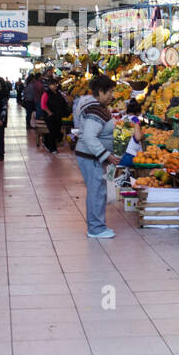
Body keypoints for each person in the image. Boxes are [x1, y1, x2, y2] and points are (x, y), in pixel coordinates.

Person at [74, 74, 118, 239]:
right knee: (96, 192)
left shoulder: (95, 106)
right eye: (109, 92)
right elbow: (90, 137)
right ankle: (96, 229)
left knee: (98, 190)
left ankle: (98, 226)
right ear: (100, 92)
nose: (112, 96)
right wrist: (106, 155)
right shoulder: (95, 109)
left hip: (91, 157)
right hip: (90, 157)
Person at [41, 80, 68, 153]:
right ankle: (53, 148)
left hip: (58, 115)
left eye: (56, 84)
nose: (55, 85)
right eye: (54, 84)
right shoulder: (46, 94)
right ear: (49, 85)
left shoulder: (58, 93)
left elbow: (62, 102)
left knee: (57, 131)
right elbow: (43, 105)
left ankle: (46, 141)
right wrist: (49, 112)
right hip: (50, 116)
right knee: (53, 131)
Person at [119, 98, 146, 167]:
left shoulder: (122, 119)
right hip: (130, 156)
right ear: (138, 112)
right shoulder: (135, 119)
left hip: (118, 155)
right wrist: (143, 135)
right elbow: (138, 137)